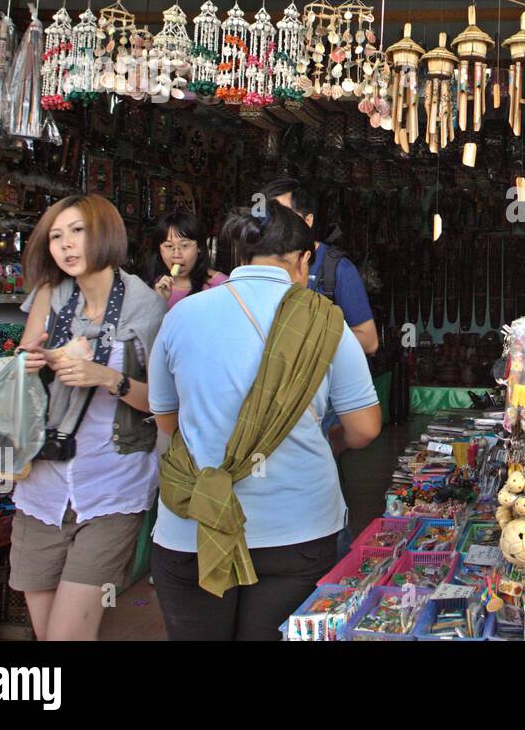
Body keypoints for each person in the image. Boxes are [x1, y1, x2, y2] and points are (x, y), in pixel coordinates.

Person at [146, 203, 381, 640]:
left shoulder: (182, 315)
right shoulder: (327, 323)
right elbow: (364, 429)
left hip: (194, 526)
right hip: (297, 528)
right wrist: (328, 440)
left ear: (240, 254)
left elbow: (166, 420)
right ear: (303, 259)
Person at [12, 194, 166, 640]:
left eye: (77, 231)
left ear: (105, 233)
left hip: (112, 486)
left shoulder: (145, 306)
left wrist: (106, 377)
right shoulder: (49, 296)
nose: (66, 245)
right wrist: (27, 365)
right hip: (40, 487)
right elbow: (22, 375)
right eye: (56, 236)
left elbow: (163, 404)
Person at [257, 178, 378, 356]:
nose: (275, 225)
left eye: (284, 216)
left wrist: (309, 341)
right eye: (270, 217)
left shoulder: (338, 269)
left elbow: (369, 341)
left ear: (308, 220)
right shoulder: (261, 264)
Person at [142, 209, 228, 309]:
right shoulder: (152, 287)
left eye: (184, 245)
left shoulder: (222, 286)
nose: (176, 254)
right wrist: (159, 302)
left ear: (199, 247)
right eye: (169, 246)